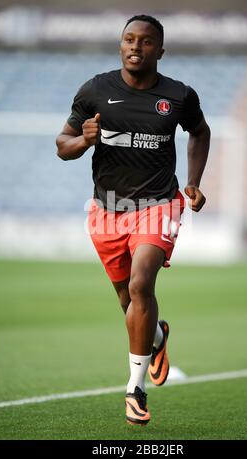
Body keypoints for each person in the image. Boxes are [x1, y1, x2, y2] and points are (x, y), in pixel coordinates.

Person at [56, 14, 210, 426]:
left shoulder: (178, 96)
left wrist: (193, 183)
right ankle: (157, 337)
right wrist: (83, 141)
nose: (135, 47)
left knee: (143, 283)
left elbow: (200, 132)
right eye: (129, 39)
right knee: (129, 302)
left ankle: (134, 389)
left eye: (145, 42)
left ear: (160, 50)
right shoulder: (96, 89)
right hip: (107, 211)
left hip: (159, 205)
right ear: (120, 44)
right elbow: (62, 146)